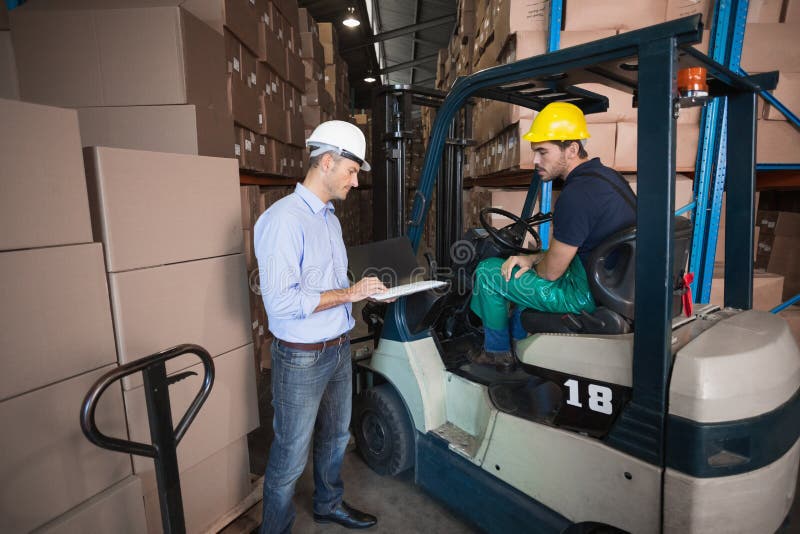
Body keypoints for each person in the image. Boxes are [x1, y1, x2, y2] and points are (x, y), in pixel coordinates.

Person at [255, 120, 386, 533]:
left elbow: (328, 287)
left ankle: (328, 504)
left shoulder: (329, 219)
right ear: (327, 162)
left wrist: (365, 294)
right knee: (291, 452)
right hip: (301, 359)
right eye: (351, 170)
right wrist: (350, 294)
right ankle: (275, 528)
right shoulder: (283, 221)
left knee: (334, 437)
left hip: (338, 349)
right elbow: (281, 302)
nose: (354, 180)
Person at [469, 102, 637, 368]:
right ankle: (520, 339)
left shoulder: (577, 195)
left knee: (489, 272)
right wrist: (533, 258)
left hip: (584, 294)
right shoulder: (608, 178)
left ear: (571, 149)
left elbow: (550, 273)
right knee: (523, 270)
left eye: (543, 152)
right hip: (610, 281)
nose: (535, 160)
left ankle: (496, 353)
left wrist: (530, 260)